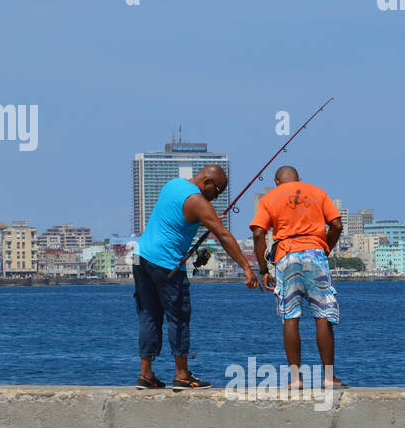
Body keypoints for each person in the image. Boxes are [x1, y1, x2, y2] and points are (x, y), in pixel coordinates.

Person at [134, 164, 260, 391]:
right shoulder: (199, 202)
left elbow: (177, 215)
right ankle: (182, 374)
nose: (217, 197)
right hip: (167, 265)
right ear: (207, 183)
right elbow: (223, 234)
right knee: (178, 316)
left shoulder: (173, 184)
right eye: (217, 191)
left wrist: (207, 215)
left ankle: (146, 374)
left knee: (149, 315)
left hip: (141, 257)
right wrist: (247, 268)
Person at [249, 166, 346, 389]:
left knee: (290, 317)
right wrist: (325, 248)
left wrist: (263, 269)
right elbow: (337, 225)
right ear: (299, 179)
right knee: (322, 316)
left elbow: (257, 234)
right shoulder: (317, 192)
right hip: (315, 254)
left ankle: (295, 379)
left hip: (286, 256)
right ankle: (329, 378)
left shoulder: (269, 198)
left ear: (276, 181)